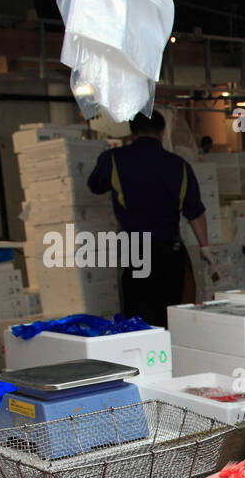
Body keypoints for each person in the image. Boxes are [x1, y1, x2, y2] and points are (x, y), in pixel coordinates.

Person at [87, 110, 212, 328]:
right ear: (163, 132)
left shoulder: (115, 160)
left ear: (132, 132)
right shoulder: (179, 166)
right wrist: (205, 248)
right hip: (169, 252)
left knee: (138, 314)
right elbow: (195, 213)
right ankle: (168, 357)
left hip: (136, 250)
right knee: (170, 314)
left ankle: (143, 358)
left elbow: (95, 186)